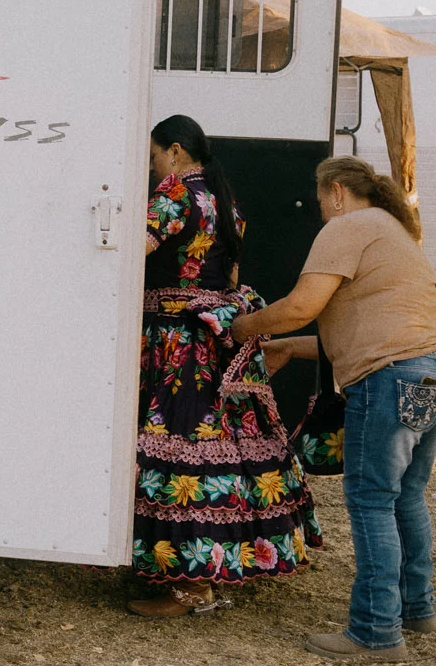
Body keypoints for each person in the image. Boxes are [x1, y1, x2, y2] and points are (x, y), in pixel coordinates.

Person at [232, 156, 436, 663]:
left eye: (319, 202)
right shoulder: (391, 229)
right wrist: (291, 347)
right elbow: (365, 329)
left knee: (371, 499)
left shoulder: (348, 225)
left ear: (336, 191)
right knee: (406, 494)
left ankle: (377, 632)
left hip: (394, 378)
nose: (319, 213)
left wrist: (244, 327)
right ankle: (415, 607)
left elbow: (300, 305)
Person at [129, 115, 320, 617]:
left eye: (152, 157)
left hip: (176, 341)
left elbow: (129, 253)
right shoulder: (226, 200)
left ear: (173, 152)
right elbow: (229, 273)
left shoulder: (174, 195)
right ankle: (210, 567)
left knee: (178, 445)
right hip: (213, 339)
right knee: (219, 445)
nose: (151, 168)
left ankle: (187, 585)